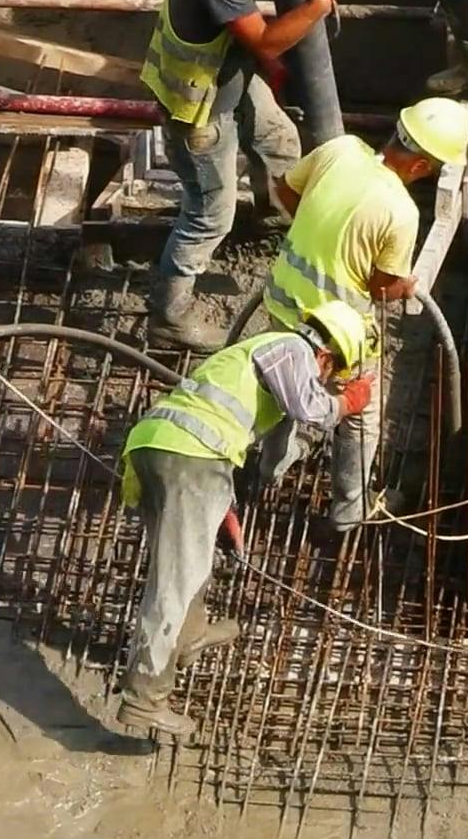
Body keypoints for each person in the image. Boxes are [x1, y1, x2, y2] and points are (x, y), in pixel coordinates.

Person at [114, 298, 378, 739]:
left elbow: (258, 444)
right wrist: (352, 400)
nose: (329, 382)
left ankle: (192, 635)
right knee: (174, 581)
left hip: (171, 450)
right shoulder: (289, 349)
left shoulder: (272, 369)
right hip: (189, 455)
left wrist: (225, 506)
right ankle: (144, 700)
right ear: (327, 355)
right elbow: (312, 409)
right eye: (335, 374)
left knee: (190, 564)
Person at [139, 0, 337, 349]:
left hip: (231, 79)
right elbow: (267, 37)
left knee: (278, 140)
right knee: (210, 214)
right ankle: (169, 316)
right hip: (202, 109)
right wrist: (321, 3)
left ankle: (274, 226)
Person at [253, 98, 468, 530]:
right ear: (422, 166)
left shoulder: (341, 149)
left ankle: (267, 473)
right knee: (359, 409)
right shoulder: (400, 211)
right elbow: (382, 289)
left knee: (279, 389)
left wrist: (322, 229)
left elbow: (285, 188)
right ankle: (350, 508)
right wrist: (404, 285)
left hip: (281, 301)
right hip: (337, 333)